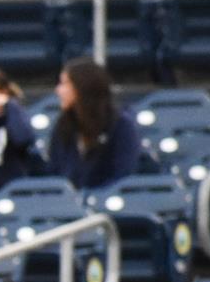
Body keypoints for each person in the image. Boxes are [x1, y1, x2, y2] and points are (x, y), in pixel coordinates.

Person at [47, 57, 142, 190]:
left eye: (65, 83)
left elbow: (123, 174)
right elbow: (55, 172)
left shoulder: (121, 125)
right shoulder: (63, 125)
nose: (58, 90)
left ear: (83, 87)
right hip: (68, 207)